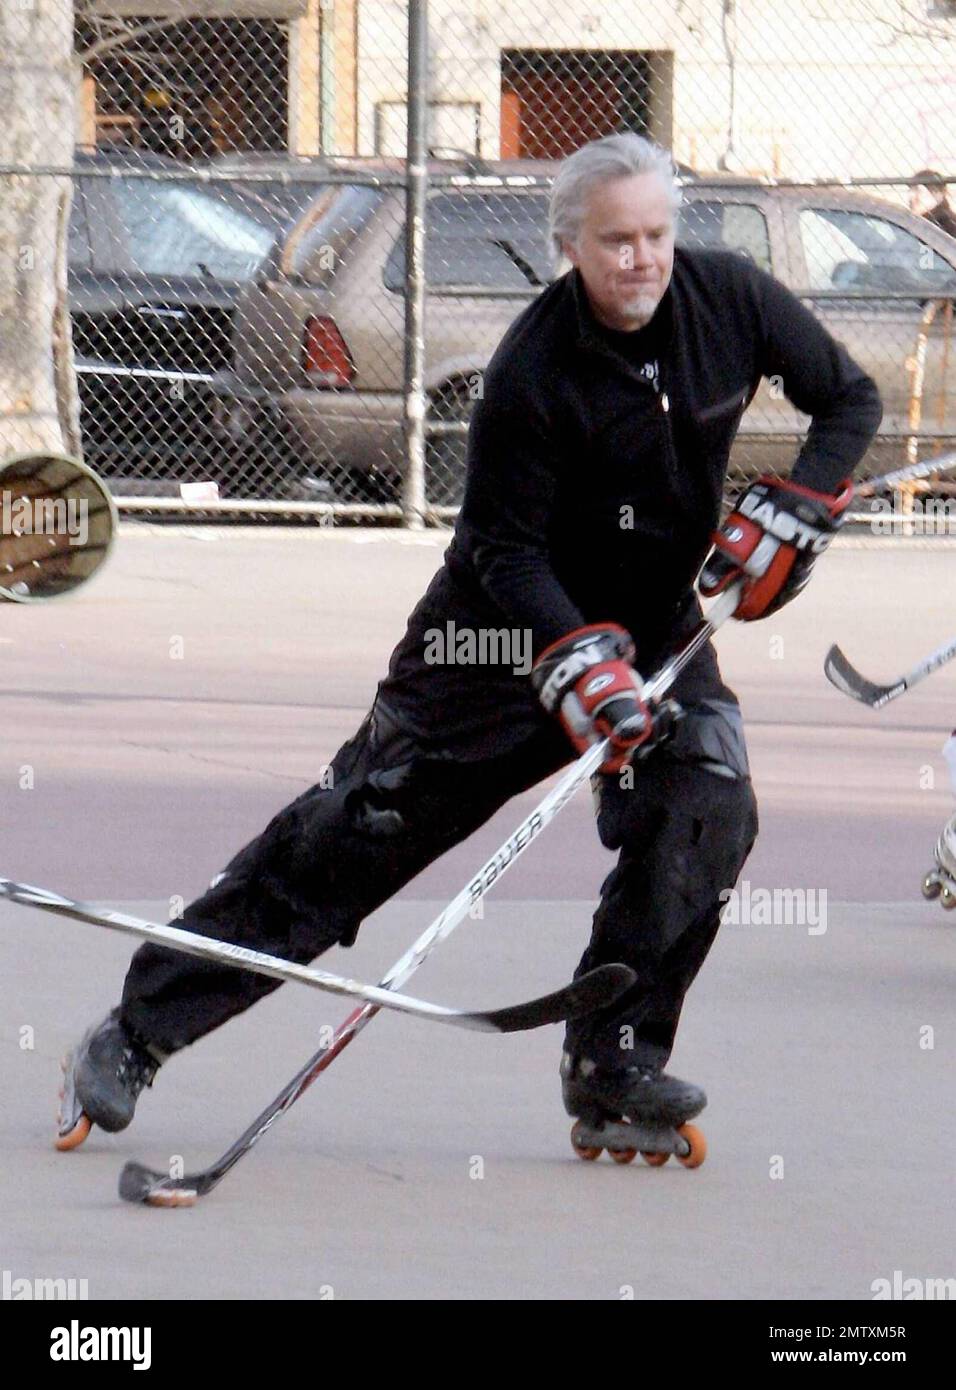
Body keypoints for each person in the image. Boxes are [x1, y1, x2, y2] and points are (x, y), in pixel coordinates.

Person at [57, 133, 883, 1157]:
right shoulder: (530, 370)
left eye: (655, 235)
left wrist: (803, 497)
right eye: (614, 240)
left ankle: (613, 1060)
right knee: (349, 837)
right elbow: (498, 547)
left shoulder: (732, 300)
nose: (640, 259)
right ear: (567, 247)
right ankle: (138, 1029)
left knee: (704, 805)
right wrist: (572, 660)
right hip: (489, 639)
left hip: (654, 619)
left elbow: (848, 399)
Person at [909, 170, 956, 240]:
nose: (911, 196)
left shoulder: (946, 224)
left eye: (917, 190)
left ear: (937, 193)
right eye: (911, 189)